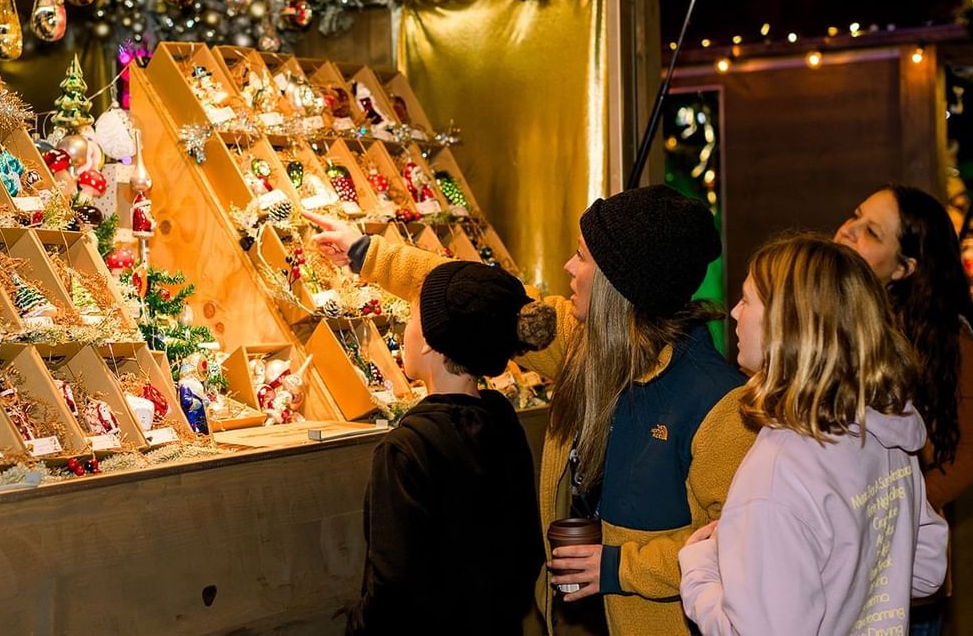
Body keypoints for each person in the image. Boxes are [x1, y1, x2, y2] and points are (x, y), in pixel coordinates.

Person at [310, 184, 757, 636]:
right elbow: (470, 297)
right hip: (568, 618)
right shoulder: (581, 345)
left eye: (581, 257)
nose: (568, 267)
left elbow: (738, 545)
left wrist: (620, 567)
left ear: (619, 283)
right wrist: (366, 253)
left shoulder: (718, 404)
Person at [678, 234, 948, 636]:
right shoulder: (884, 429)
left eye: (748, 299)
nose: (734, 312)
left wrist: (701, 566)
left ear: (789, 326)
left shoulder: (776, 473)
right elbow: (926, 569)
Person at [346, 260, 551, 635]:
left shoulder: (405, 449)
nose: (403, 328)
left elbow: (392, 586)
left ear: (429, 339)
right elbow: (525, 553)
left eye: (409, 316)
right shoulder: (504, 423)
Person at [834, 185, 973, 634]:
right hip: (833, 555)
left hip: (899, 568)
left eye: (870, 231)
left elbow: (966, 457)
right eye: (854, 215)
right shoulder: (830, 317)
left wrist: (893, 506)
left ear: (903, 268)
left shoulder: (948, 344)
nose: (847, 231)